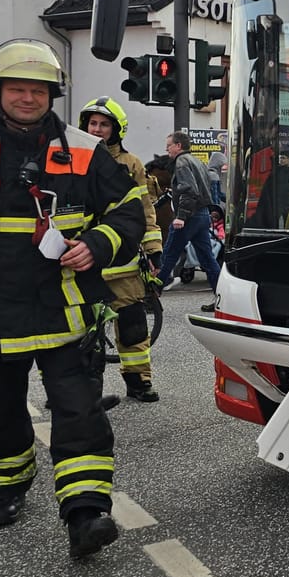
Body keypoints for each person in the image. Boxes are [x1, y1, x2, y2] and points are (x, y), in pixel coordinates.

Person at [0, 39, 144, 558]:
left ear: (52, 95)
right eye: (15, 89)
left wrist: (96, 244)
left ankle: (87, 514)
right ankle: (8, 486)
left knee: (79, 413)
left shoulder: (85, 152)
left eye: (37, 90)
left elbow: (130, 210)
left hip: (62, 311)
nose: (27, 98)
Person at [79, 98, 164, 402]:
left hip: (125, 264)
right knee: (84, 330)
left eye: (104, 124)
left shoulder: (131, 165)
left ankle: (138, 382)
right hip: (85, 260)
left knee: (132, 326)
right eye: (92, 123)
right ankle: (82, 389)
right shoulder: (73, 158)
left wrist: (153, 249)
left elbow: (145, 210)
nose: (97, 129)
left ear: (117, 129)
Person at [156, 131, 220, 309]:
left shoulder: (182, 162)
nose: (166, 149)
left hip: (189, 217)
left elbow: (188, 190)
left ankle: (151, 298)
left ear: (178, 145)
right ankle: (222, 299)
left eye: (169, 145)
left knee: (169, 254)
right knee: (208, 260)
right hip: (202, 215)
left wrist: (181, 217)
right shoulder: (197, 161)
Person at [206, 141, 228, 206]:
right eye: (221, 166)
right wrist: (216, 209)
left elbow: (219, 194)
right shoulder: (213, 176)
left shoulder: (208, 174)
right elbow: (215, 196)